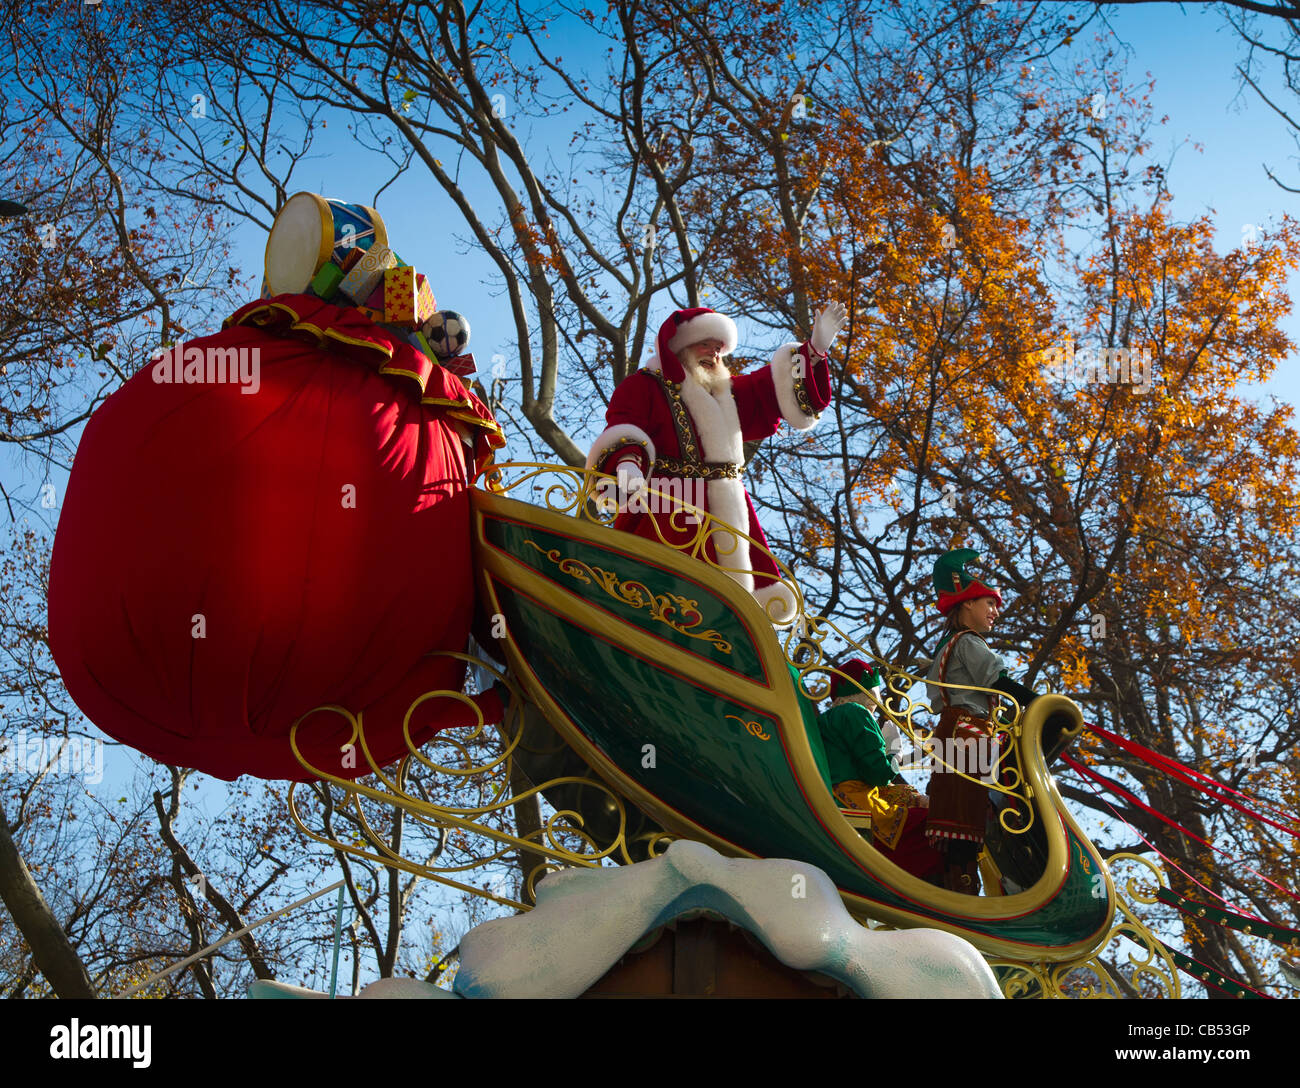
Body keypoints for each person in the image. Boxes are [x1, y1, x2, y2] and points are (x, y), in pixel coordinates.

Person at [586, 303, 847, 624]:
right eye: (705, 345)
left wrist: (814, 353)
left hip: (729, 512)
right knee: (662, 595)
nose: (714, 354)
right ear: (680, 348)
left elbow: (771, 390)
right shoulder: (646, 385)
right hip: (667, 505)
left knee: (735, 609)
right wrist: (627, 462)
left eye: (719, 348)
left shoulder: (726, 396)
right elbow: (625, 425)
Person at [924, 549, 1038, 895]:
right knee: (971, 812)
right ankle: (967, 886)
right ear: (967, 604)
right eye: (989, 603)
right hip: (969, 734)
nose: (995, 612)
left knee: (959, 813)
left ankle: (959, 880)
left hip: (953, 734)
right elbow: (996, 680)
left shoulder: (948, 645)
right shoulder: (968, 642)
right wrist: (1035, 703)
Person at [819, 659, 942, 881]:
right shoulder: (856, 712)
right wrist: (896, 754)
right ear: (867, 690)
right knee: (935, 824)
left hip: (841, 793)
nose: (879, 699)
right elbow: (879, 773)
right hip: (853, 799)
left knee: (917, 801)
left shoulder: (829, 717)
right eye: (877, 691)